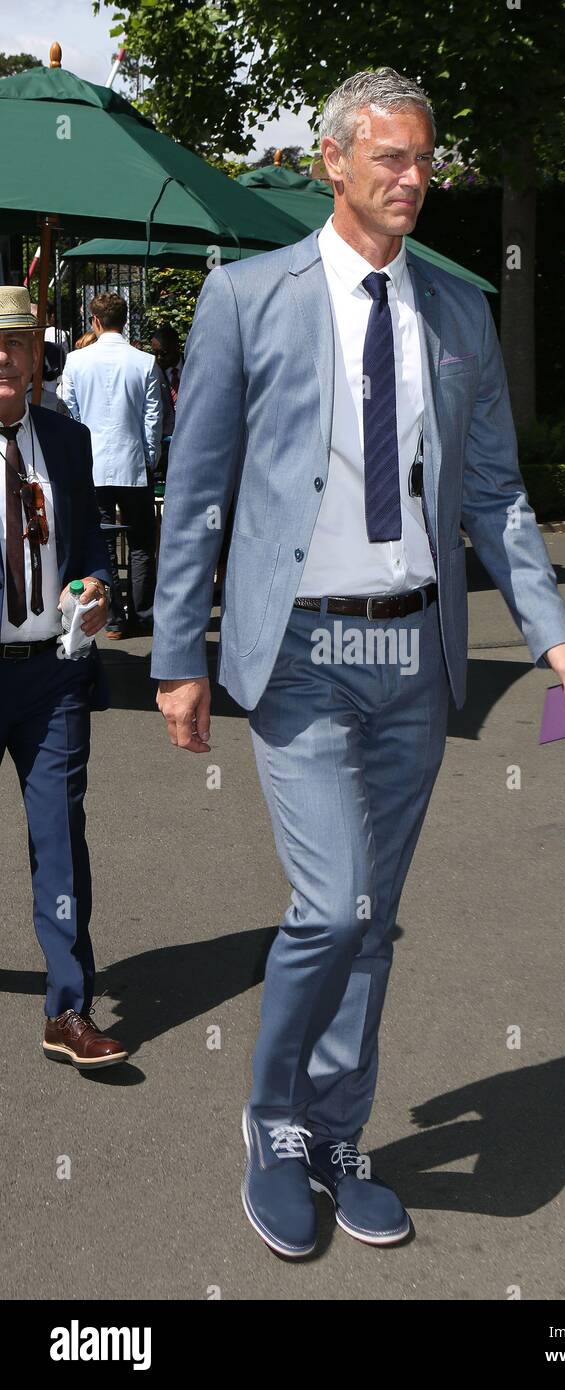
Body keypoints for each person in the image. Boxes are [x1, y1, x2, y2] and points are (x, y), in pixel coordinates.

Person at [151, 67, 565, 1259]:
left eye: (425, 160)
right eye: (391, 158)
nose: (413, 180)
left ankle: (342, 1130)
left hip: (413, 646)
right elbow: (195, 493)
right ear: (333, 160)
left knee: (375, 913)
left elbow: (498, 495)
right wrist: (175, 654)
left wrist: (552, 627)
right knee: (331, 897)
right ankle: (274, 1121)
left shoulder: (456, 311)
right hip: (298, 645)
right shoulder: (247, 296)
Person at [0, 286, 127, 1069]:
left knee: (59, 838)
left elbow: (87, 554)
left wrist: (96, 590)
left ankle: (68, 1007)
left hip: (52, 678)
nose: (2, 358)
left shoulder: (69, 442)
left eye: (14, 344)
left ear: (37, 358)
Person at [61, 292, 162, 639]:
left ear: (96, 321)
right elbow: (153, 417)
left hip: (93, 464)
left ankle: (115, 619)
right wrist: (150, 456)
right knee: (140, 542)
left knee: (102, 542)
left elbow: (70, 413)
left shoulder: (75, 360)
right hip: (133, 462)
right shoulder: (145, 361)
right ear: (125, 319)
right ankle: (144, 613)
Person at [151, 325, 184, 484]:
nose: (158, 358)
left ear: (176, 347)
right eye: (155, 353)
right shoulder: (153, 372)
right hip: (165, 444)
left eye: (163, 353)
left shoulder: (193, 367)